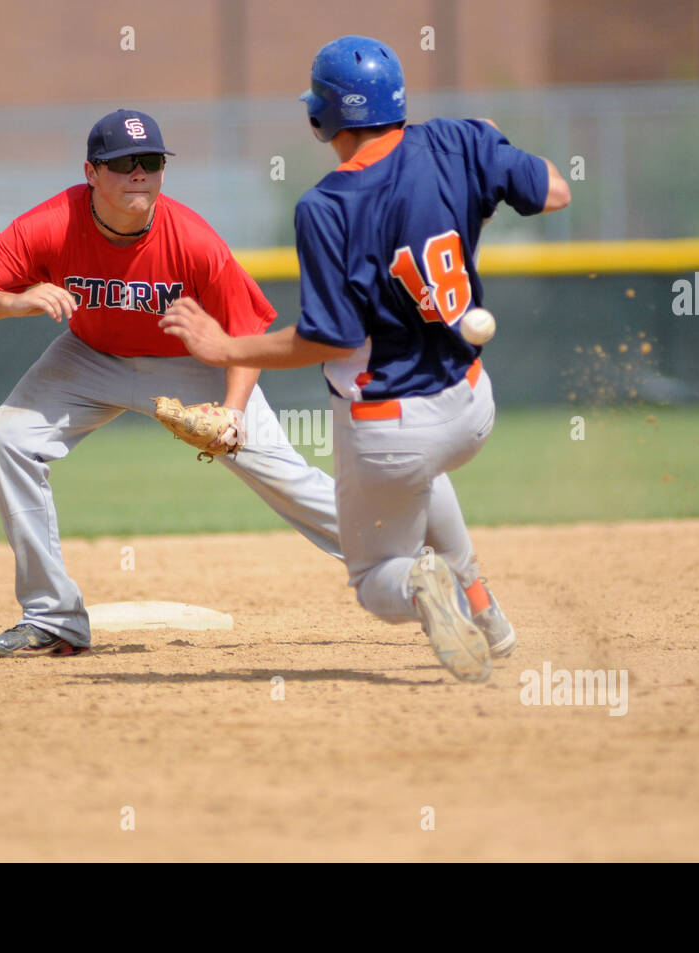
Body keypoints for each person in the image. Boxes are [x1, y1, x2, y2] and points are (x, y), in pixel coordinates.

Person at [160, 37, 571, 683]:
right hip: (470, 403)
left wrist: (223, 347)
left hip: (388, 430)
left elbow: (329, 338)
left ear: (323, 119)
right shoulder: (456, 142)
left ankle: (417, 583)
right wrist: (491, 149)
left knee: (373, 575)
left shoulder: (326, 206)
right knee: (427, 475)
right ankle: (485, 610)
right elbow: (553, 191)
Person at [0, 109, 342, 658]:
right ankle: (52, 618)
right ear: (91, 171)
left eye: (150, 162)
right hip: (90, 357)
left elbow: (246, 330)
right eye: (123, 163)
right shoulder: (53, 222)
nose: (138, 174)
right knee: (6, 439)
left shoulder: (194, 240)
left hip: (191, 362)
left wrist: (233, 411)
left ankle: (410, 565)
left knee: (287, 479)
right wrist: (12, 301)